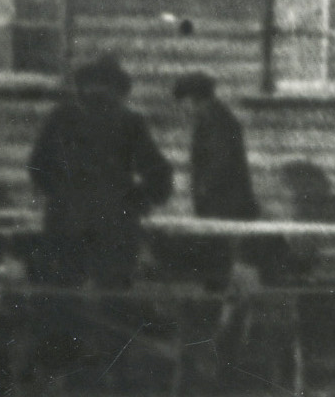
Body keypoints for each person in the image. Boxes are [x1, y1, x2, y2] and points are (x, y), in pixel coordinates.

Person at [27, 55, 173, 289]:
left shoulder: (60, 118)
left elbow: (38, 166)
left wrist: (62, 195)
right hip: (114, 227)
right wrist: (137, 199)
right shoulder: (129, 121)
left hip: (68, 225)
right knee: (112, 298)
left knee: (66, 298)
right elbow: (159, 174)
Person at [159, 72, 259, 289]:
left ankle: (218, 308)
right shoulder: (215, 117)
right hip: (219, 203)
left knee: (220, 262)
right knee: (217, 261)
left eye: (184, 103)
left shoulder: (215, 120)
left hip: (224, 205)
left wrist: (202, 190)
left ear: (193, 98)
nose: (184, 110)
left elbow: (219, 162)